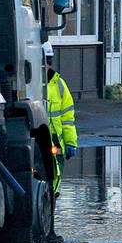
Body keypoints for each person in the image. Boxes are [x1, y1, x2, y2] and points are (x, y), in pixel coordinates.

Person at [44, 42, 77, 200]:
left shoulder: (59, 85)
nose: (47, 65)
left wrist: (71, 142)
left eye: (48, 61)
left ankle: (52, 201)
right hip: (39, 140)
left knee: (56, 175)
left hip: (55, 141)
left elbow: (68, 119)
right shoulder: (32, 83)